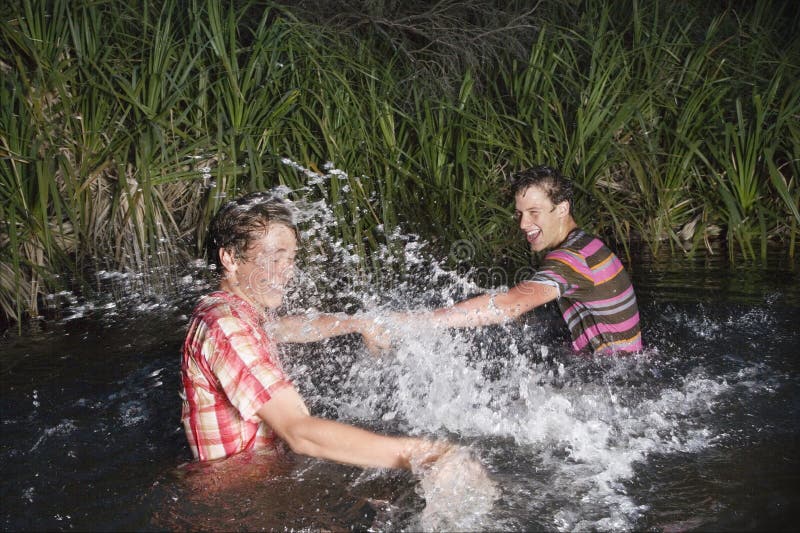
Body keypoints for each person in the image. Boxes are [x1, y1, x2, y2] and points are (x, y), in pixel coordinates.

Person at [180, 191, 452, 467]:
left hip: (258, 475)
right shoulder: (225, 327)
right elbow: (299, 432)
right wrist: (425, 454)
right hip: (241, 488)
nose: (287, 272)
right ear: (230, 258)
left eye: (291, 259)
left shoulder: (231, 311)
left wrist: (356, 323)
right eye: (275, 259)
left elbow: (282, 328)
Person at [391, 165, 642, 354]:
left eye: (534, 212)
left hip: (615, 379)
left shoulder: (573, 258)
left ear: (562, 209)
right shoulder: (586, 245)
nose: (523, 224)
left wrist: (408, 323)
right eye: (520, 213)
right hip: (621, 366)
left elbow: (510, 305)